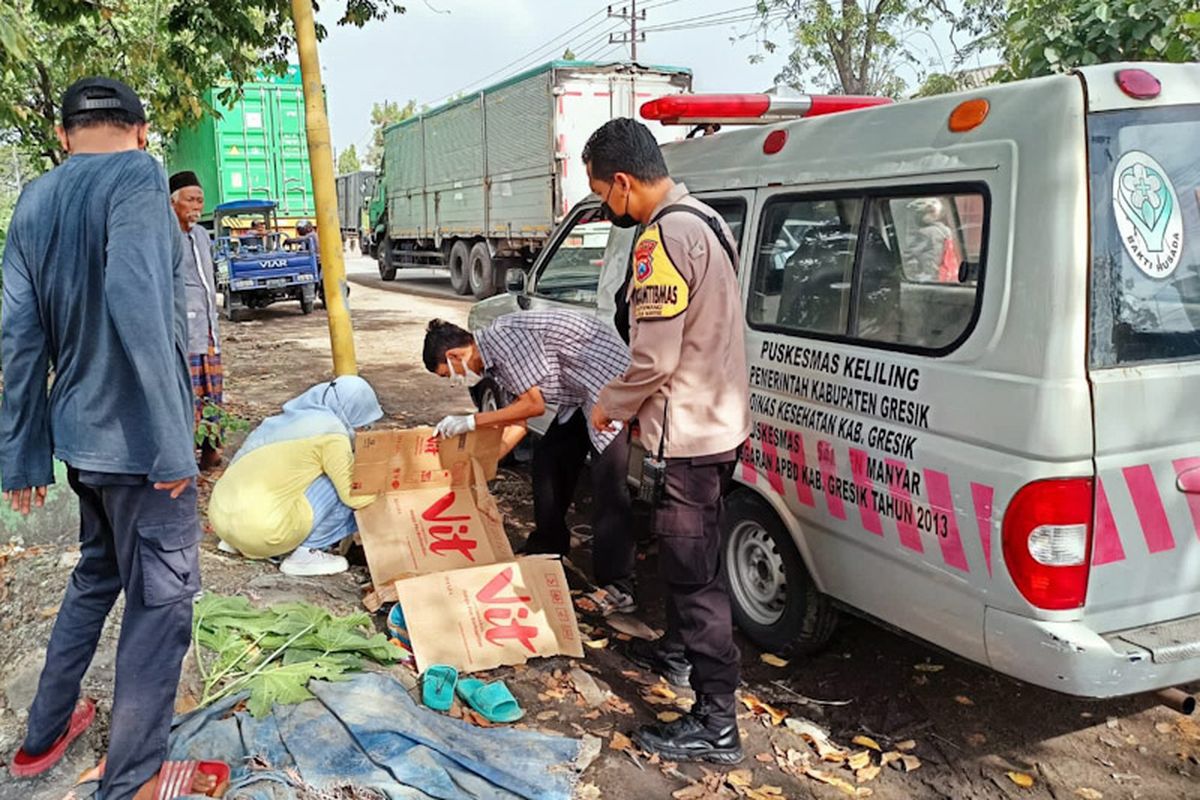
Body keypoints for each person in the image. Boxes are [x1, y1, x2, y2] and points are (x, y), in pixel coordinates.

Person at [0, 78, 221, 798]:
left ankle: (41, 739)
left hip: (81, 446)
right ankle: (131, 779)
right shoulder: (139, 177)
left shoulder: (35, 199)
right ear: (143, 127)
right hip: (140, 451)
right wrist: (171, 443)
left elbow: (19, 338)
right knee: (160, 606)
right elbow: (137, 304)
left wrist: (22, 449)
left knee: (96, 578)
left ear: (63, 136)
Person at [585, 118, 751, 764]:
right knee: (693, 558)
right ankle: (677, 654)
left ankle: (716, 723)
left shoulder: (661, 242)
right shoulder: (709, 221)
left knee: (695, 578)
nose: (606, 207)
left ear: (624, 183)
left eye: (604, 195)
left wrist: (608, 404)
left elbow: (652, 361)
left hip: (683, 439)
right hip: (721, 426)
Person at [422, 313, 638, 615]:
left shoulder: (503, 338)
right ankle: (547, 548)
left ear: (455, 355)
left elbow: (534, 405)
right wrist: (475, 471)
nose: (455, 382)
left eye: (449, 375)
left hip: (609, 384)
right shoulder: (494, 367)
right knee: (547, 461)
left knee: (608, 484)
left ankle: (618, 586)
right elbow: (518, 423)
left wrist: (471, 421)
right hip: (579, 396)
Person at [207, 376, 382, 576]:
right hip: (263, 532)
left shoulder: (284, 420)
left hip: (222, 522)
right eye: (362, 425)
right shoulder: (332, 433)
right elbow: (353, 496)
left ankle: (240, 541)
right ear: (349, 412)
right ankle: (307, 553)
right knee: (346, 481)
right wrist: (383, 488)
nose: (362, 432)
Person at [169, 170, 224, 471]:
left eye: (200, 201)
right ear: (173, 202)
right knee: (186, 396)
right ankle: (182, 458)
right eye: (190, 200)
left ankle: (211, 450)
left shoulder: (201, 235)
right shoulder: (165, 236)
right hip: (182, 333)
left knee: (213, 393)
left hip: (209, 331)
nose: (196, 207)